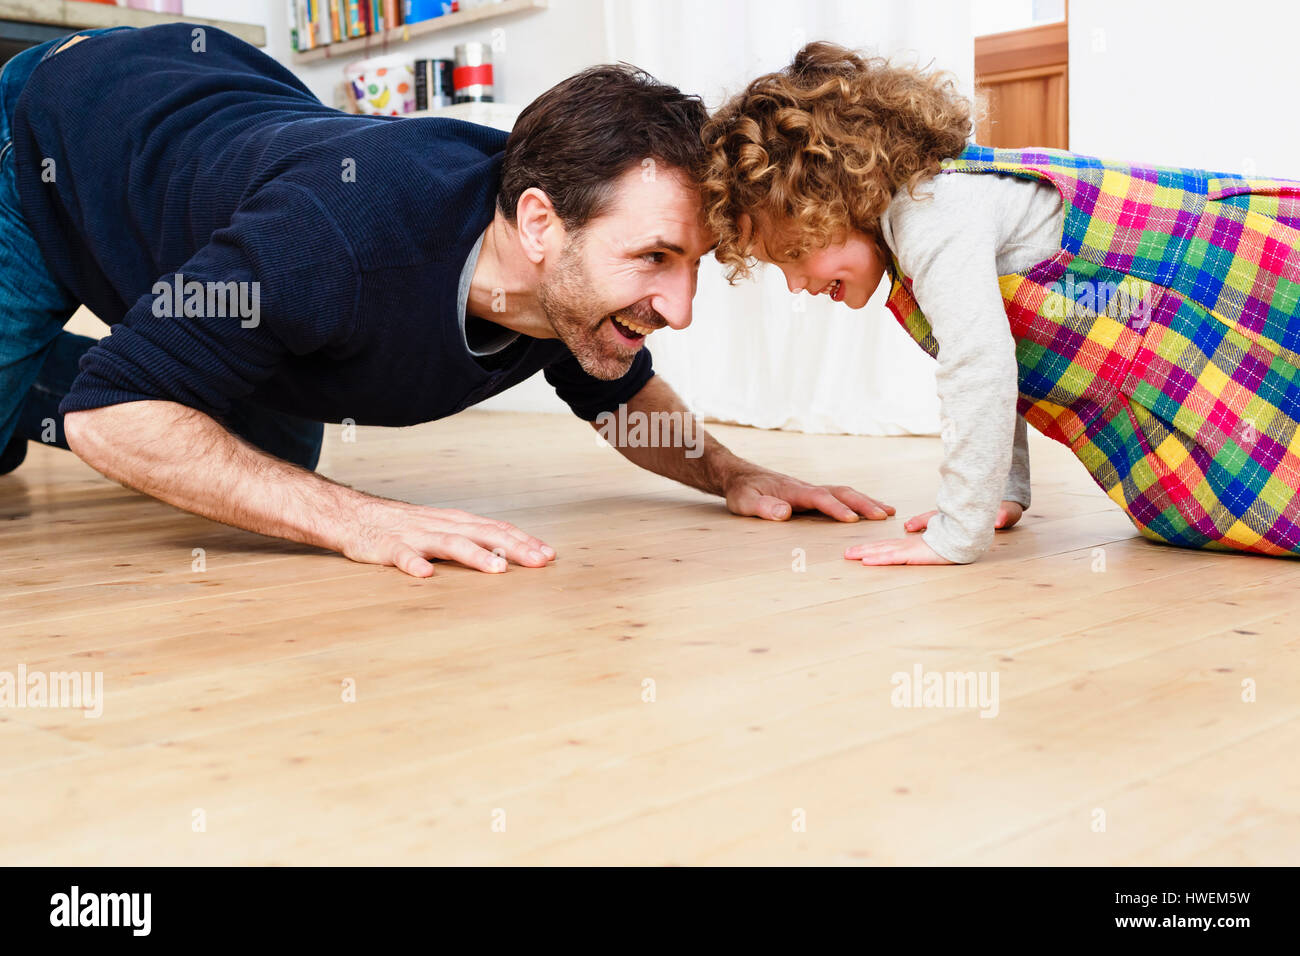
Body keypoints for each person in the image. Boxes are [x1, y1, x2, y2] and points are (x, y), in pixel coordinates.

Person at [0, 25, 894, 578]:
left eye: (691, 263)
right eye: (655, 257)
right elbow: (113, 420)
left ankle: (114, 362)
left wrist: (734, 475)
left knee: (266, 448)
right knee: (141, 415)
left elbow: (618, 398)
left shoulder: (563, 288)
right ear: (539, 225)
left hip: (217, 118)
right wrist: (358, 518)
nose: (682, 306)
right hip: (53, 134)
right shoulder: (328, 239)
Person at [701, 42, 1300, 566]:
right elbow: (1003, 350)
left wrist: (956, 531)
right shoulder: (926, 215)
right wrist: (1002, 495)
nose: (796, 285)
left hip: (1241, 275)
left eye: (792, 253)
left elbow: (979, 367)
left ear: (834, 196)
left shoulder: (933, 214)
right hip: (1167, 331)